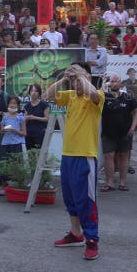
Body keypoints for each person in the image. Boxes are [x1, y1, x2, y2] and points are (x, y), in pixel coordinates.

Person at [47, 63, 104, 260]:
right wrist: (64, 78)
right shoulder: (70, 95)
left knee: (86, 200)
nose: (75, 81)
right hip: (68, 154)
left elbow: (94, 94)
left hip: (85, 155)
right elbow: (48, 95)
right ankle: (76, 233)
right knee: (70, 198)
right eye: (73, 79)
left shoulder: (97, 95)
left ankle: (92, 240)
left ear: (88, 77)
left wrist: (80, 76)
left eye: (79, 77)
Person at [100, 76, 137, 192]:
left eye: (117, 81)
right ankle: (110, 183)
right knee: (109, 156)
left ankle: (122, 183)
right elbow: (97, 96)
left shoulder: (127, 97)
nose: (114, 83)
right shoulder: (104, 97)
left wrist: (133, 127)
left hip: (125, 133)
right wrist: (104, 84)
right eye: (112, 81)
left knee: (123, 157)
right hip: (108, 133)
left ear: (121, 84)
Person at [0, 96, 27, 195]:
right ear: (8, 105)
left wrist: (15, 131)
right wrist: (3, 129)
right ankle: (4, 186)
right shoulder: (5, 116)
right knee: (4, 165)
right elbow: (1, 130)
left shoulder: (21, 117)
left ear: (18, 106)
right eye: (11, 103)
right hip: (5, 143)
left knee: (17, 165)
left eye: (14, 103)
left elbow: (24, 133)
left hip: (16, 144)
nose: (12, 105)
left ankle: (18, 185)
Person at [23, 83, 50, 150]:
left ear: (39, 93)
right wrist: (26, 118)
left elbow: (47, 118)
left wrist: (35, 118)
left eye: (36, 91)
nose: (33, 93)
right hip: (29, 134)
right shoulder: (27, 106)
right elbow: (24, 120)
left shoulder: (44, 104)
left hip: (40, 133)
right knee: (30, 154)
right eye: (32, 91)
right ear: (29, 92)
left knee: (39, 154)